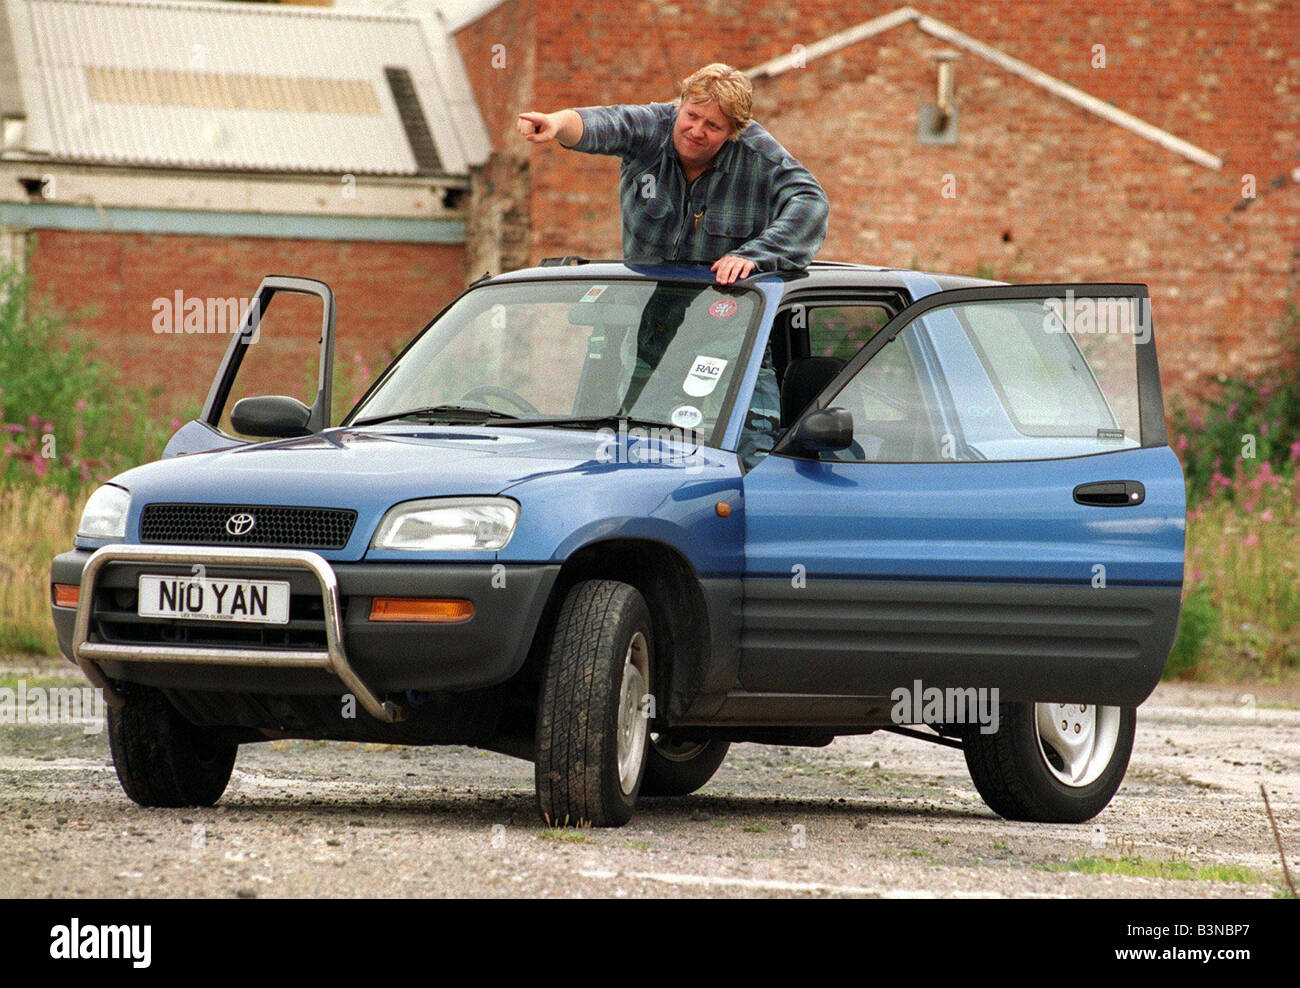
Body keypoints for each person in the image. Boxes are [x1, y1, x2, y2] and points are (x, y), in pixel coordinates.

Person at [517, 63, 829, 465]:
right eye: (692, 116)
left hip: (725, 325)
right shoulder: (652, 127)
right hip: (644, 324)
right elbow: (604, 123)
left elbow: (811, 202)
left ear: (733, 132)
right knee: (618, 443)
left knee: (750, 448)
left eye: (713, 127)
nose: (697, 131)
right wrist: (556, 124)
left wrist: (754, 255)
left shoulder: (758, 153)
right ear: (680, 106)